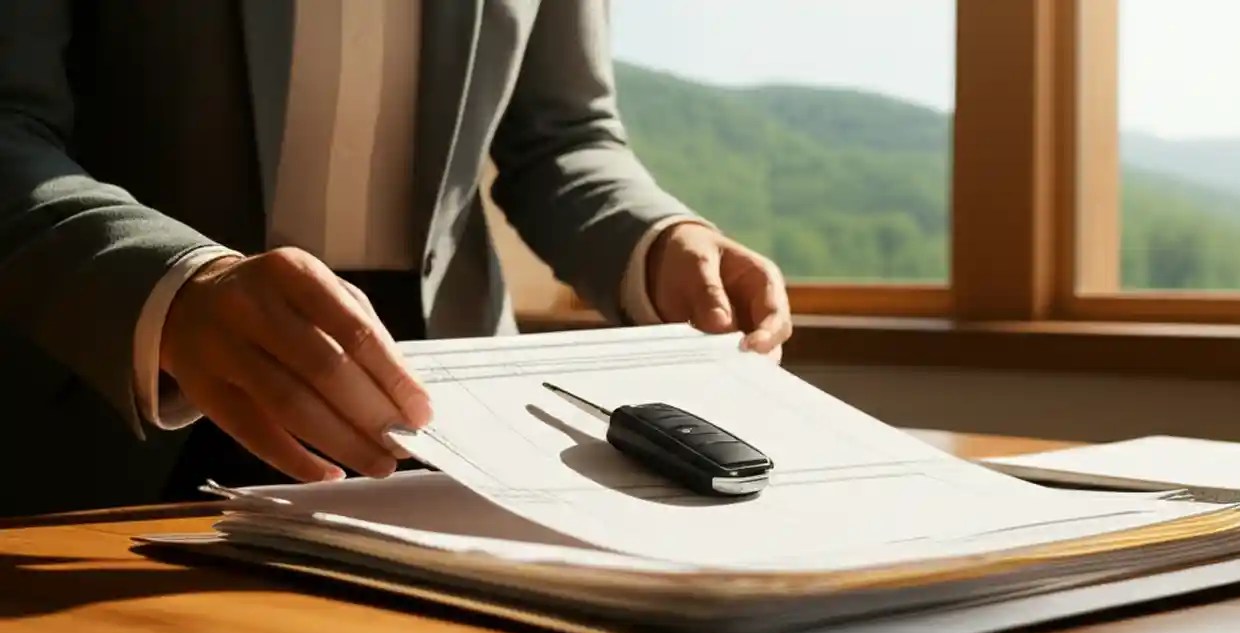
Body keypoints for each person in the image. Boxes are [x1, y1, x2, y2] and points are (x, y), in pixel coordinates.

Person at [0, 1, 791, 516]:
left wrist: (655, 240)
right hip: (118, 396)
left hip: (448, 426)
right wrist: (174, 284)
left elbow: (564, 137)